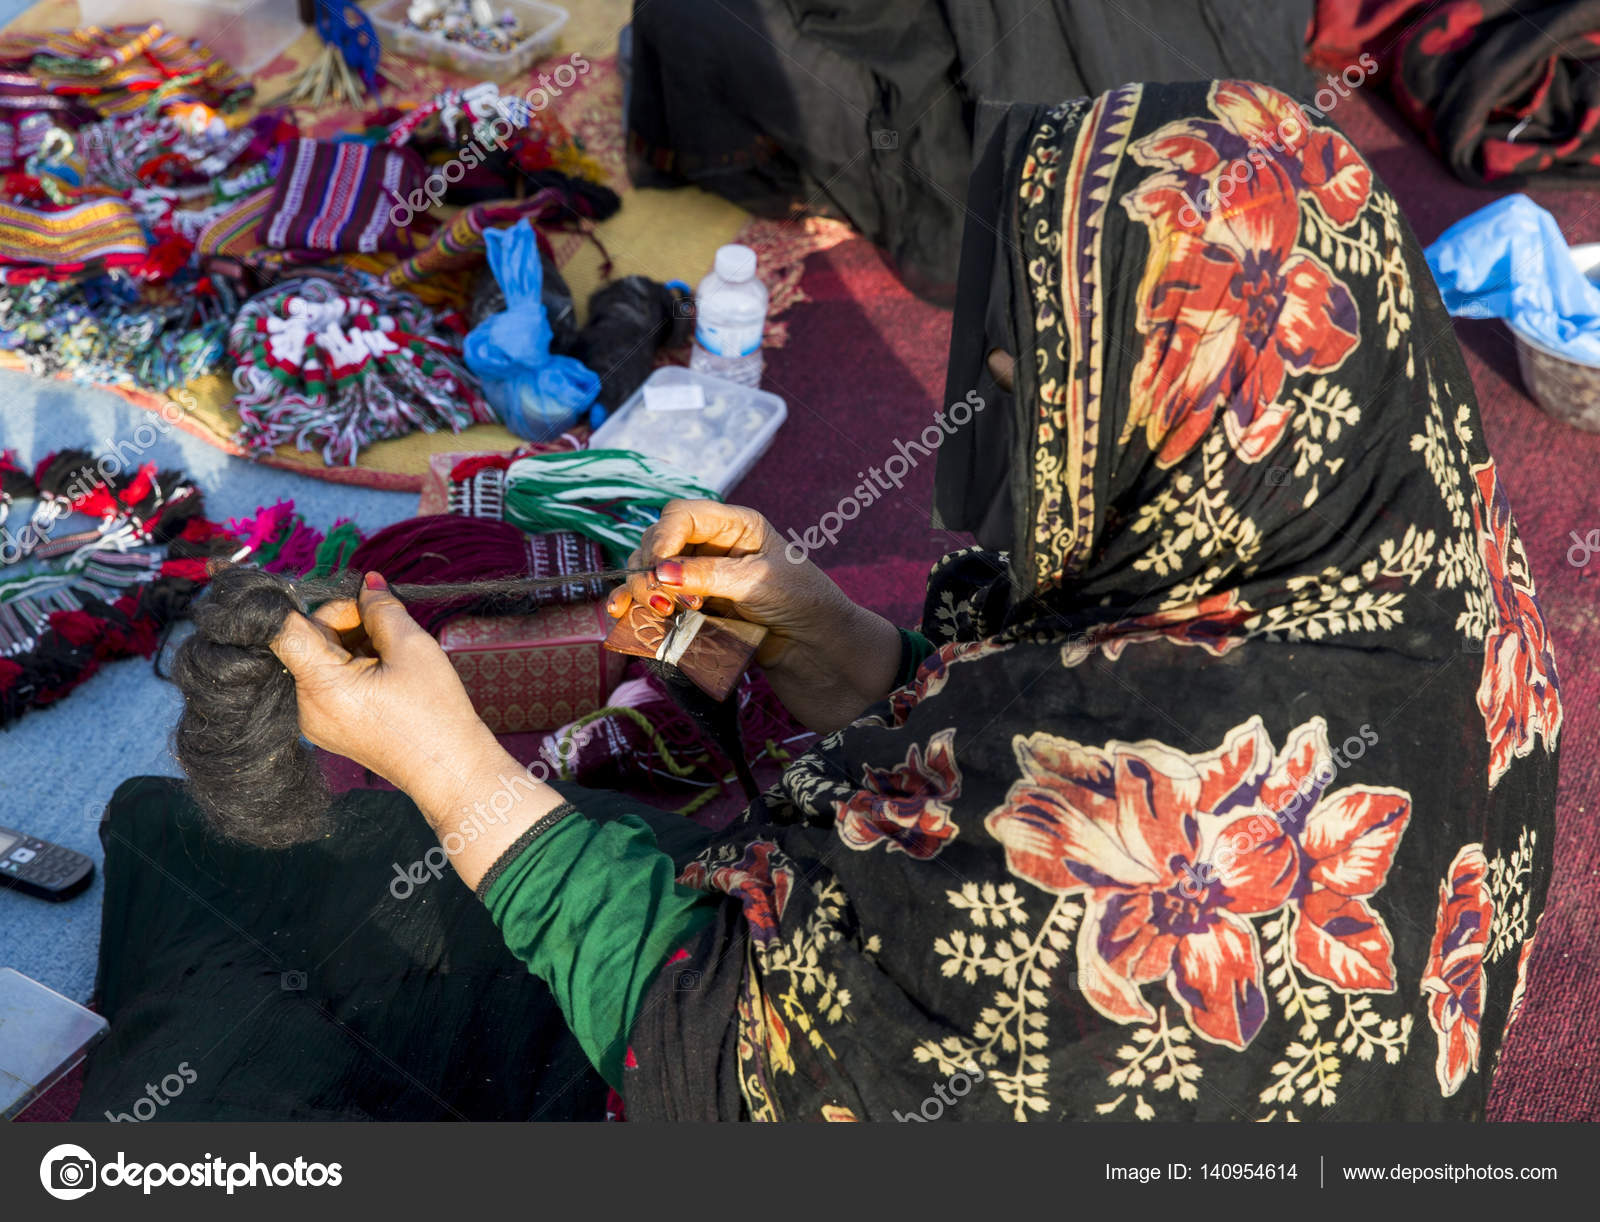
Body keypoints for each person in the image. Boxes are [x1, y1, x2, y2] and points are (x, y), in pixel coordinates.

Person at [85, 80, 1559, 1121]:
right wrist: (841, 642)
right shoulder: (1411, 570)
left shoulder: (1126, 880)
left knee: (323, 966)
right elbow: (1039, 752)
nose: (1005, 438)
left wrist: (452, 771)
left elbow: (724, 1078)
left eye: (1038, 401)